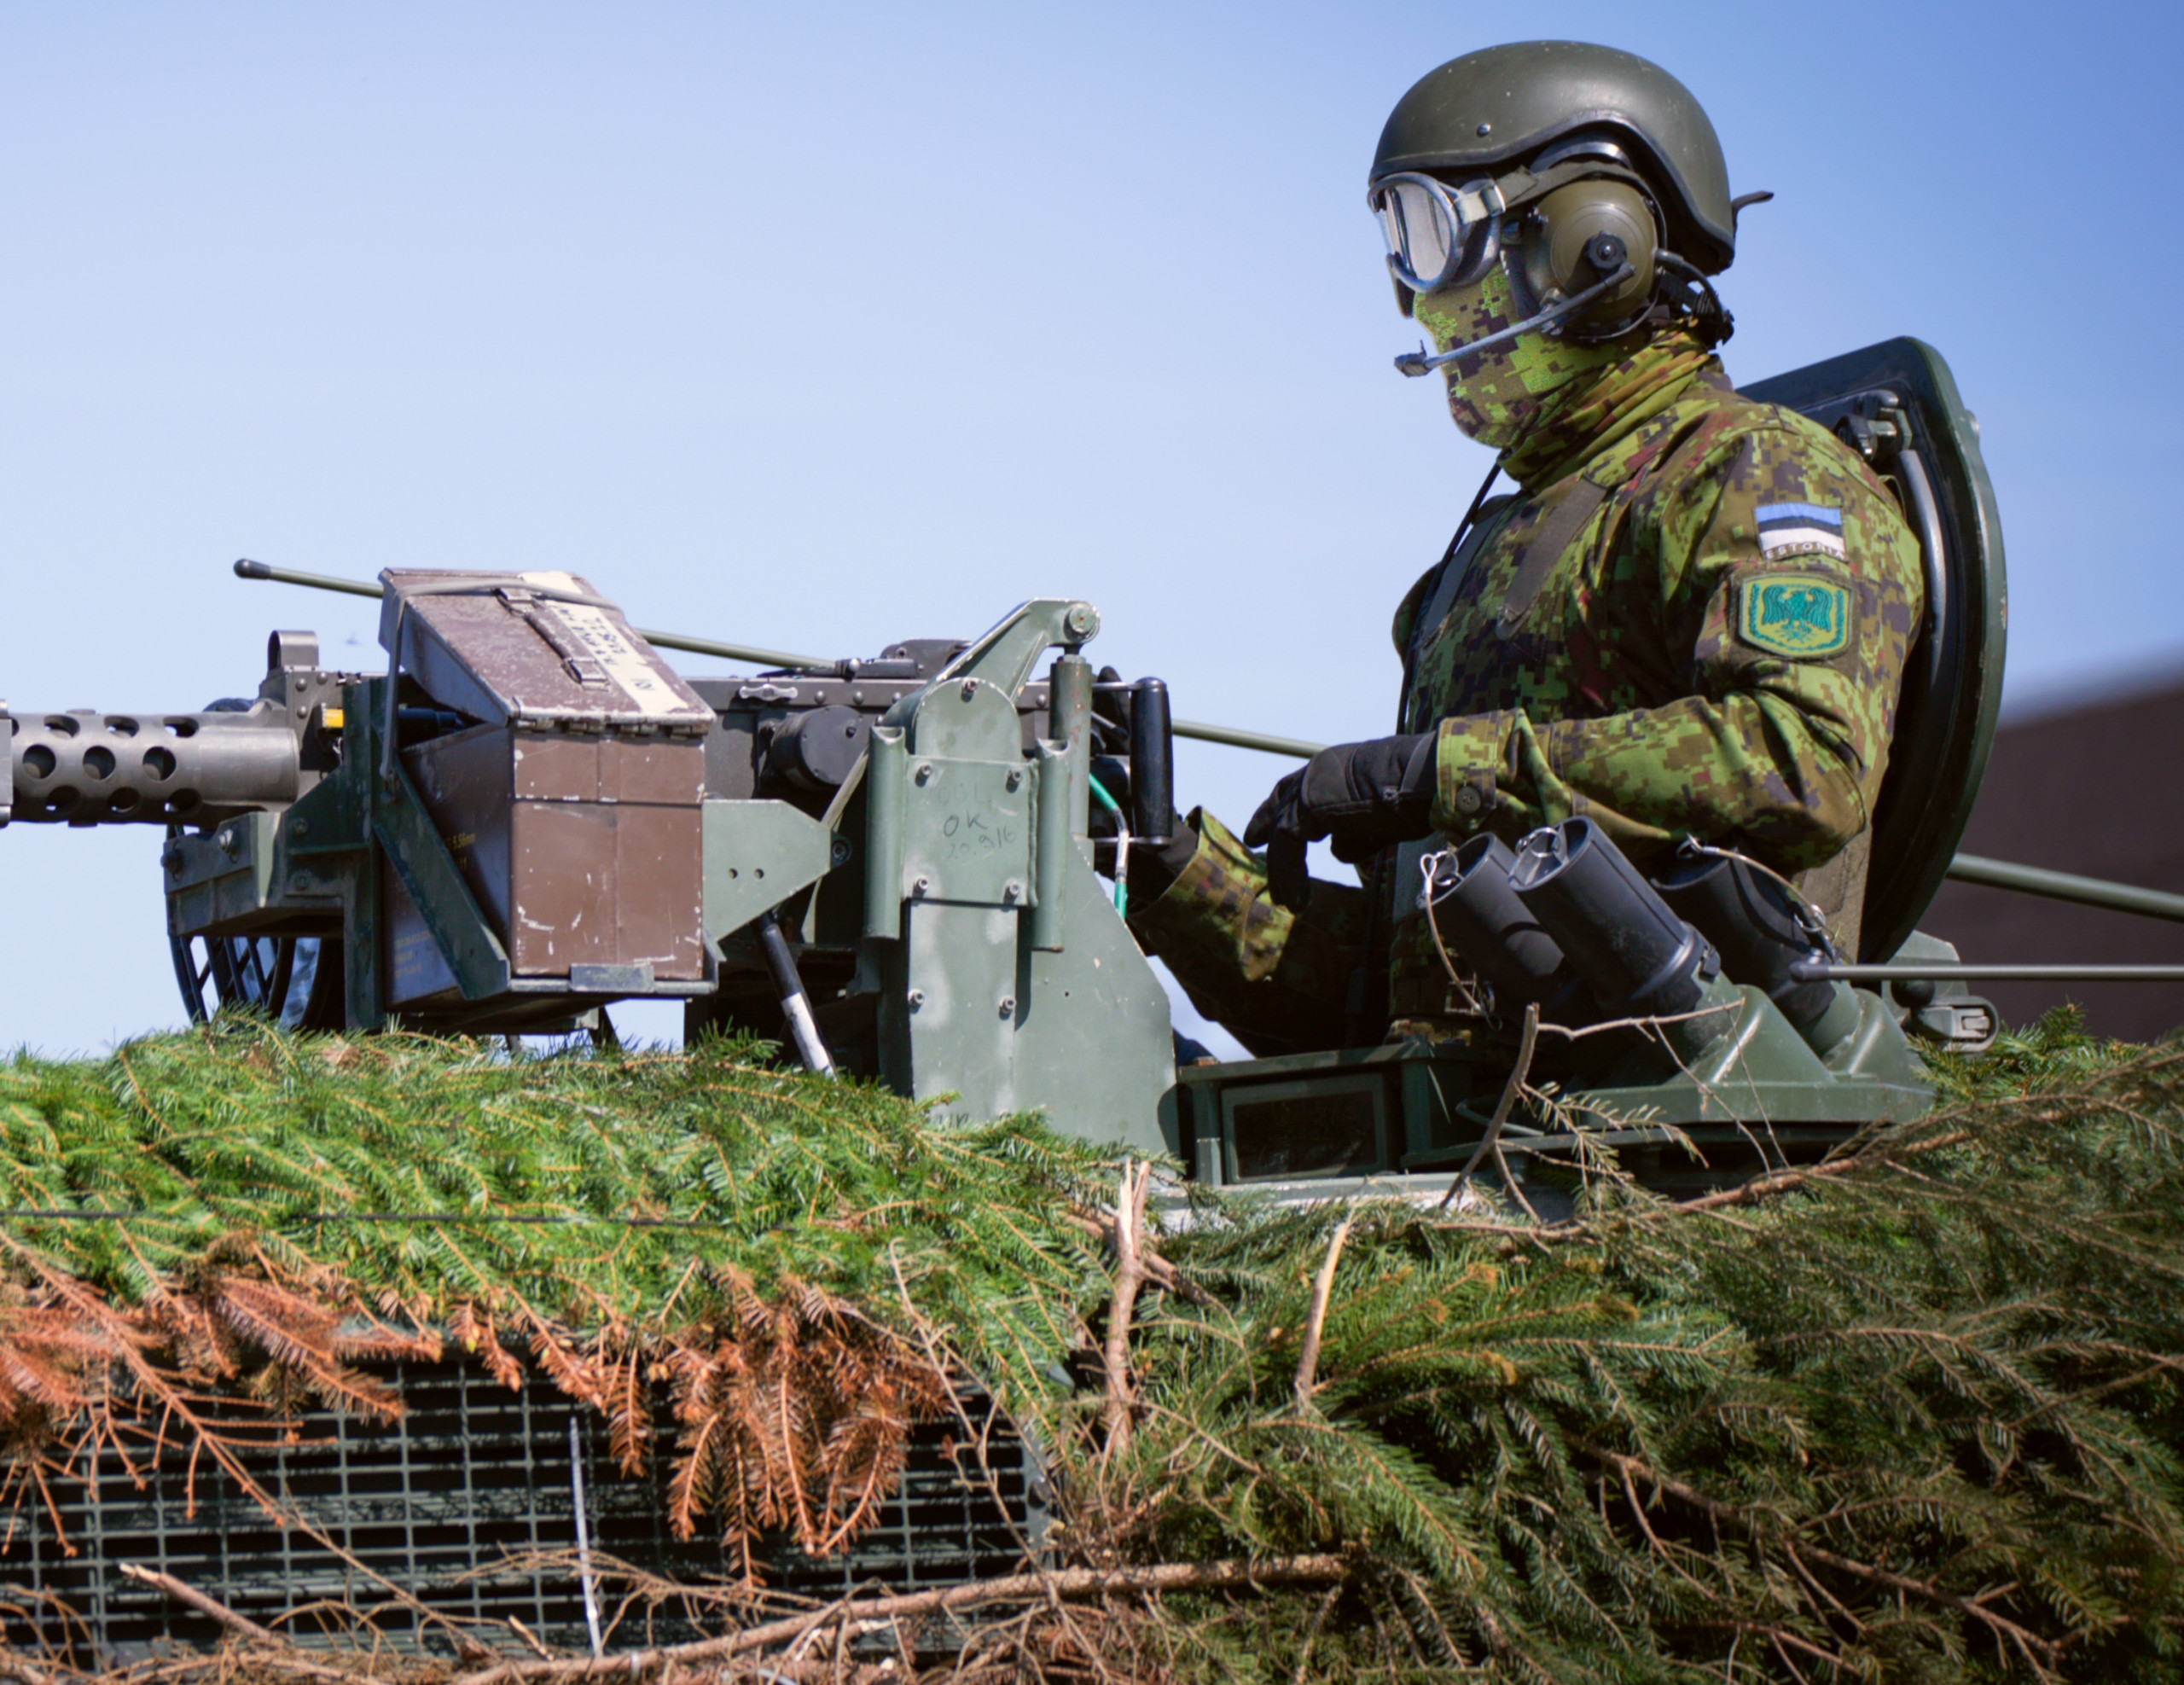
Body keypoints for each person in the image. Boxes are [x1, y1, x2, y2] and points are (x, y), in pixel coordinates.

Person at [1126, 39, 1925, 1058]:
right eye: (1398, 246)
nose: (1414, 297)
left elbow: (1798, 760)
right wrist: (1172, 866)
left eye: (1435, 238)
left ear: (1595, 242)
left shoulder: (1757, 475)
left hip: (1668, 1148)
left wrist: (1443, 768)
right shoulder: (1484, 558)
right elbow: (1401, 1003)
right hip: (1481, 1151)